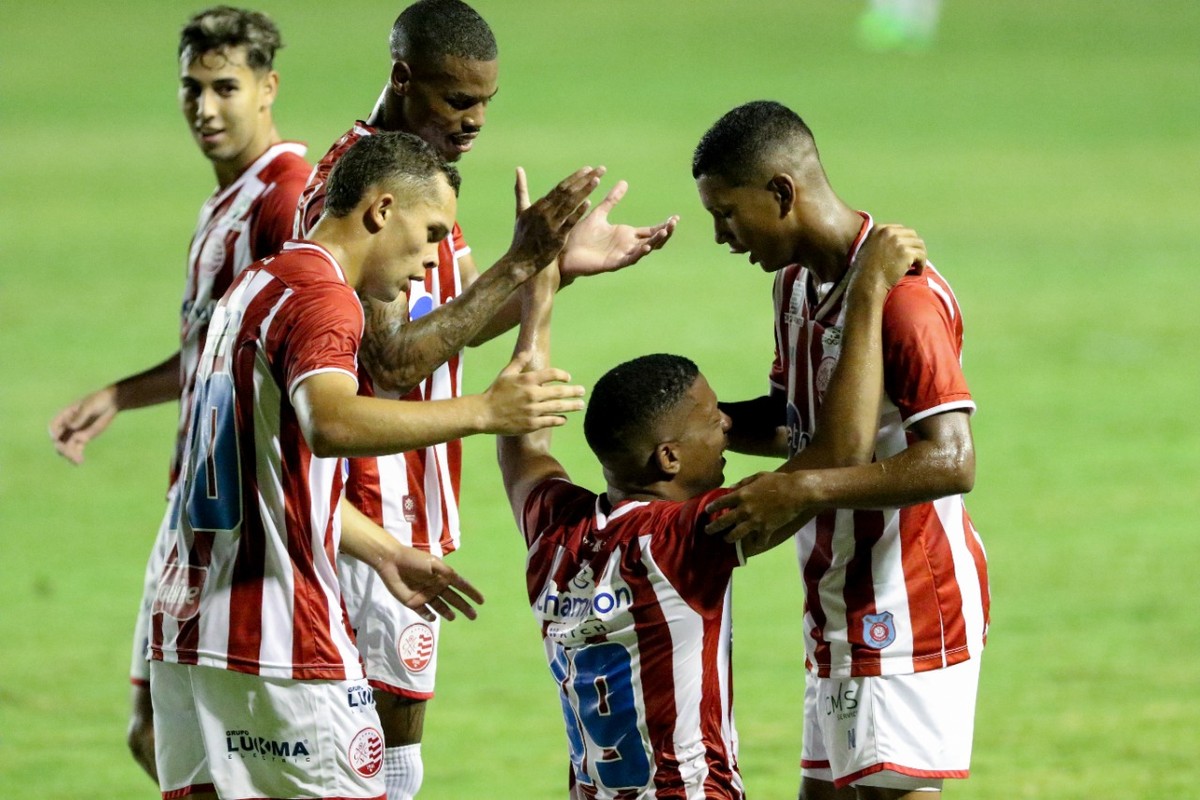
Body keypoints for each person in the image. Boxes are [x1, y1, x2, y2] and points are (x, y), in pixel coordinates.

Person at [294, 2, 677, 796]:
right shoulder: (368, 189)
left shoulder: (417, 172)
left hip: (412, 493)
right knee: (362, 745)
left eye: (484, 103)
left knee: (395, 730)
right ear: (403, 78)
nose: (472, 120)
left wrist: (554, 267)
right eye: (455, 99)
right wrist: (525, 261)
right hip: (368, 494)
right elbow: (391, 359)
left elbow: (446, 320)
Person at [149, 130, 599, 800]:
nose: (435, 256)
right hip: (275, 635)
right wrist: (484, 411)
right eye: (432, 231)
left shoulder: (256, 285)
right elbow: (331, 423)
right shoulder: (323, 299)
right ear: (382, 210)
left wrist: (386, 551)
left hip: (184, 628)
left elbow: (263, 475)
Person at [498, 215, 927, 797]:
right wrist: (869, 290)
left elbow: (522, 439)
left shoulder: (554, 529)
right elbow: (842, 452)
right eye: (711, 420)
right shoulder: (683, 542)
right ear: (668, 459)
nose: (727, 426)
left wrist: (542, 281)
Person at [692, 100, 990, 799]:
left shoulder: (905, 301)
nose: (720, 234)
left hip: (904, 604)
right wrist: (699, 428)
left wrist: (799, 491)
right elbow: (796, 424)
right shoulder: (792, 285)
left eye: (727, 213)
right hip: (833, 600)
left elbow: (953, 461)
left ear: (781, 192)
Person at [47, 6, 312, 782]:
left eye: (224, 87)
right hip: (194, 508)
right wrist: (122, 395)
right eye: (191, 88)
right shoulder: (226, 200)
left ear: (268, 87)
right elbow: (215, 352)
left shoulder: (282, 198)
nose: (205, 108)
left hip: (244, 524)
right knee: (156, 735)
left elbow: (302, 358)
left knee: (241, 759)